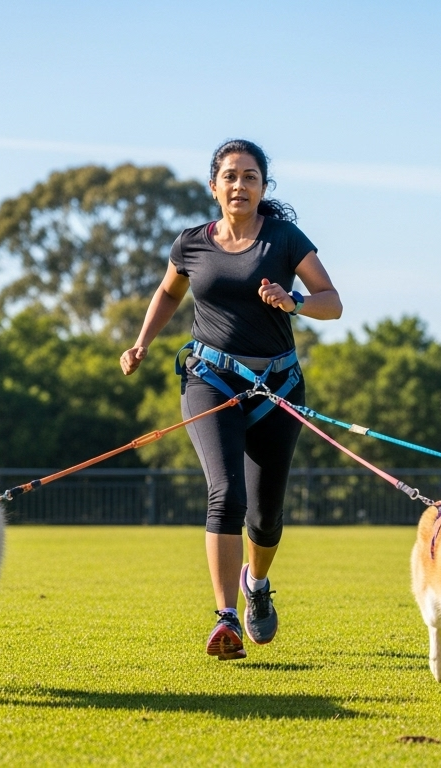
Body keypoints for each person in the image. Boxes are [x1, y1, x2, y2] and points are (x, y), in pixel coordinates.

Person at [120, 139, 342, 660]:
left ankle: (256, 586)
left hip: (278, 388)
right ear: (214, 186)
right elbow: (170, 292)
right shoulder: (192, 244)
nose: (239, 185)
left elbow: (333, 303)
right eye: (230, 176)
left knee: (264, 518)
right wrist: (143, 341)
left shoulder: (285, 240)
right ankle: (225, 618)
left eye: (250, 177)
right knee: (226, 492)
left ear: (263, 188)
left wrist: (296, 302)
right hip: (210, 380)